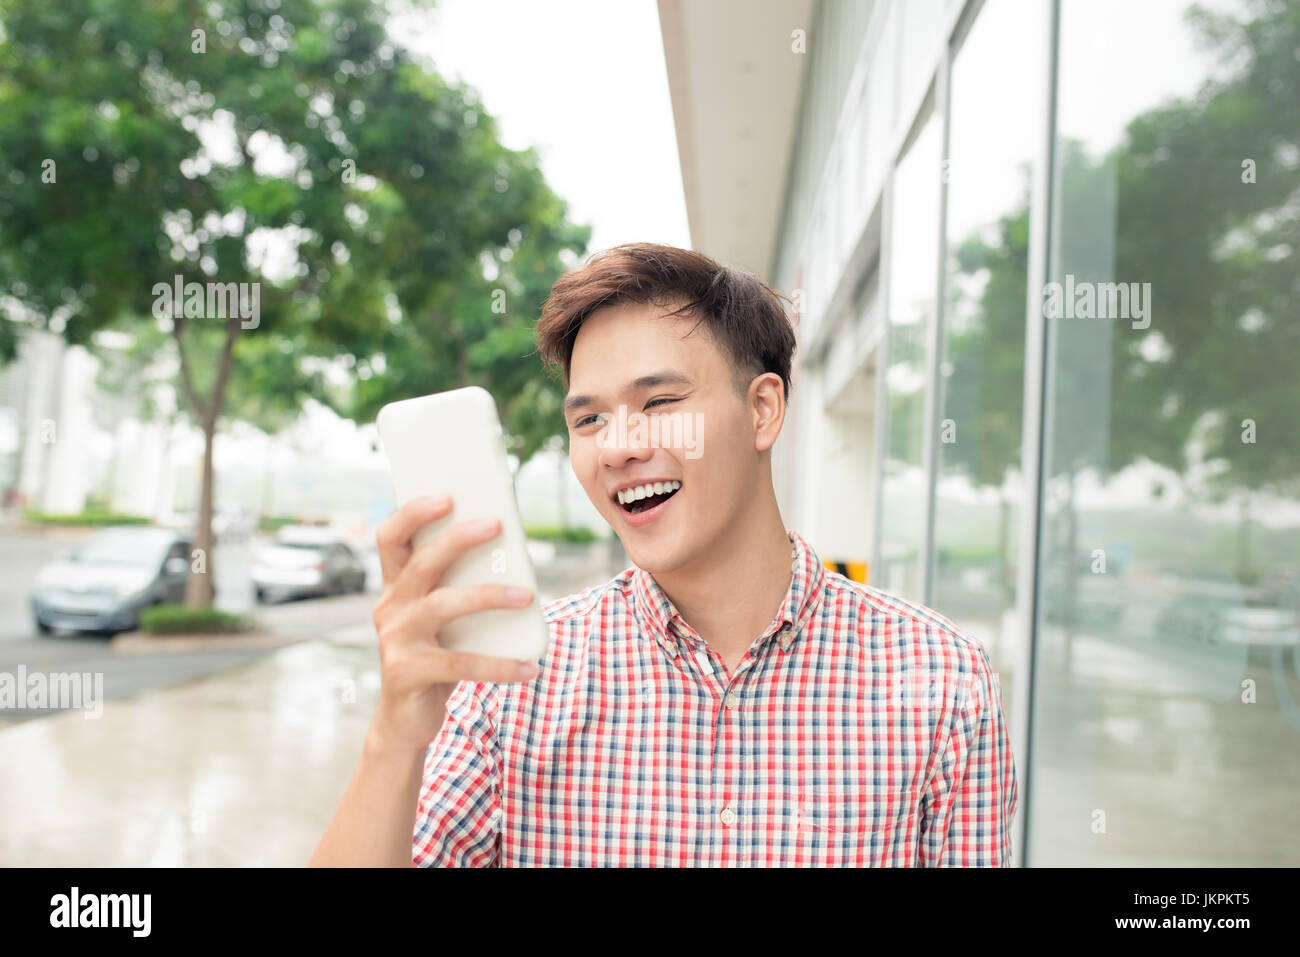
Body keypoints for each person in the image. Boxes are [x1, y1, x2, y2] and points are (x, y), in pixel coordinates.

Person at [310, 242, 1018, 867]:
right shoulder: (511, 687)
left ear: (763, 409)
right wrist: (395, 739)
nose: (617, 446)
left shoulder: (940, 683)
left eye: (658, 402)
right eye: (589, 418)